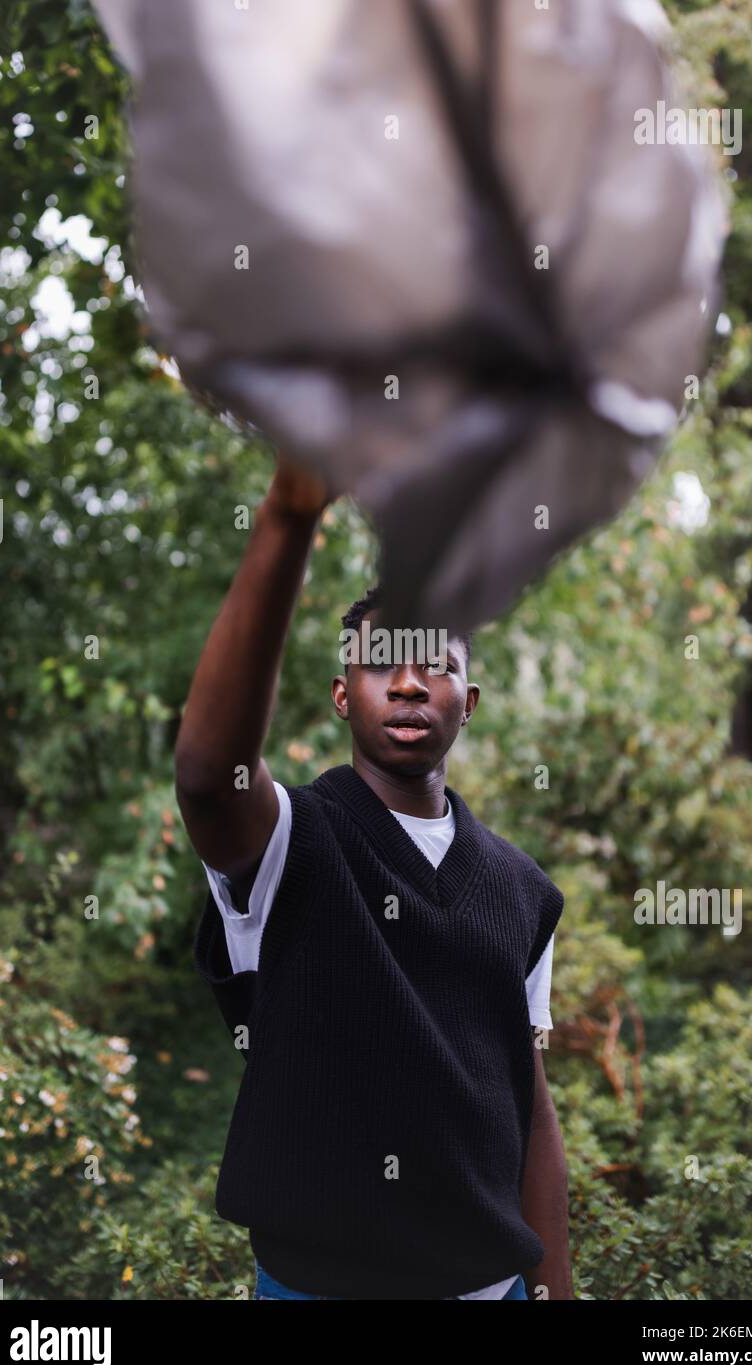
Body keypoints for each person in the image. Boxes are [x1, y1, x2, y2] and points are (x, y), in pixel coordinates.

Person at [174, 451, 573, 1301]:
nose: (406, 681)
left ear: (468, 702)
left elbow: (529, 1101)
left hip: (488, 1289)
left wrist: (554, 1289)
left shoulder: (522, 891)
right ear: (340, 695)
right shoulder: (294, 840)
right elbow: (211, 779)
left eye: (435, 663)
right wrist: (288, 515)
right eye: (380, 661)